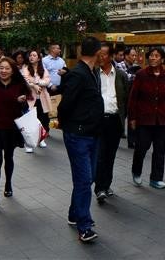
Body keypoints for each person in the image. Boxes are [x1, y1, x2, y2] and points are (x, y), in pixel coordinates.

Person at [58, 36, 104, 244]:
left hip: (92, 133)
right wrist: (70, 126)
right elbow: (65, 105)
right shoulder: (78, 74)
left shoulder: (92, 72)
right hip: (78, 135)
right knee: (85, 180)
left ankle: (73, 213)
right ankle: (84, 226)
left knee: (88, 177)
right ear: (97, 53)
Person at [127, 46, 165, 190]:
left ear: (162, 59)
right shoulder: (141, 75)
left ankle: (156, 178)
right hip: (144, 119)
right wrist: (133, 118)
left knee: (160, 150)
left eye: (156, 56)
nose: (153, 58)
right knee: (141, 148)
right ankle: (136, 171)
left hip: (161, 119)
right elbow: (133, 98)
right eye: (151, 55)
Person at [0, 56, 31, 206]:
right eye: (1, 68)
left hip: (11, 128)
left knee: (9, 158)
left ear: (12, 71)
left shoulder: (19, 85)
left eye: (7, 68)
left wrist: (23, 100)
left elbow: (27, 103)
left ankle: (8, 184)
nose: (3, 71)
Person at [94, 41, 130, 204]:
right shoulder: (94, 74)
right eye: (99, 54)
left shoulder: (121, 75)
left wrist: (124, 118)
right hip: (99, 120)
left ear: (111, 56)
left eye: (104, 54)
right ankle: (99, 188)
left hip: (115, 120)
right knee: (100, 155)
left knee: (111, 155)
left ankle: (107, 185)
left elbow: (125, 99)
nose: (100, 57)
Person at [21, 49, 51, 145]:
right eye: (30, 55)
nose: (31, 57)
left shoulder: (43, 69)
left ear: (38, 58)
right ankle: (29, 142)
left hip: (42, 98)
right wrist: (34, 85)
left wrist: (37, 82)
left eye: (34, 55)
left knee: (42, 119)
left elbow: (47, 81)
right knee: (31, 119)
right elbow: (26, 80)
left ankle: (41, 138)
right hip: (31, 98)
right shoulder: (25, 68)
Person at [117, 46, 140, 148]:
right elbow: (126, 77)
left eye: (135, 55)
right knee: (121, 117)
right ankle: (117, 134)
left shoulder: (135, 66)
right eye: (132, 55)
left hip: (132, 96)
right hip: (122, 96)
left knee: (132, 117)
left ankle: (132, 141)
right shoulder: (119, 66)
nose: (134, 57)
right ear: (126, 56)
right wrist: (136, 76)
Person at [43, 42, 67, 120]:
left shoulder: (61, 61)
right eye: (58, 48)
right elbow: (42, 75)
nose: (60, 50)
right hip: (49, 89)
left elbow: (66, 71)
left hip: (60, 88)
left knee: (60, 107)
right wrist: (50, 85)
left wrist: (64, 72)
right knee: (49, 109)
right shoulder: (44, 60)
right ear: (52, 49)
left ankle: (59, 121)